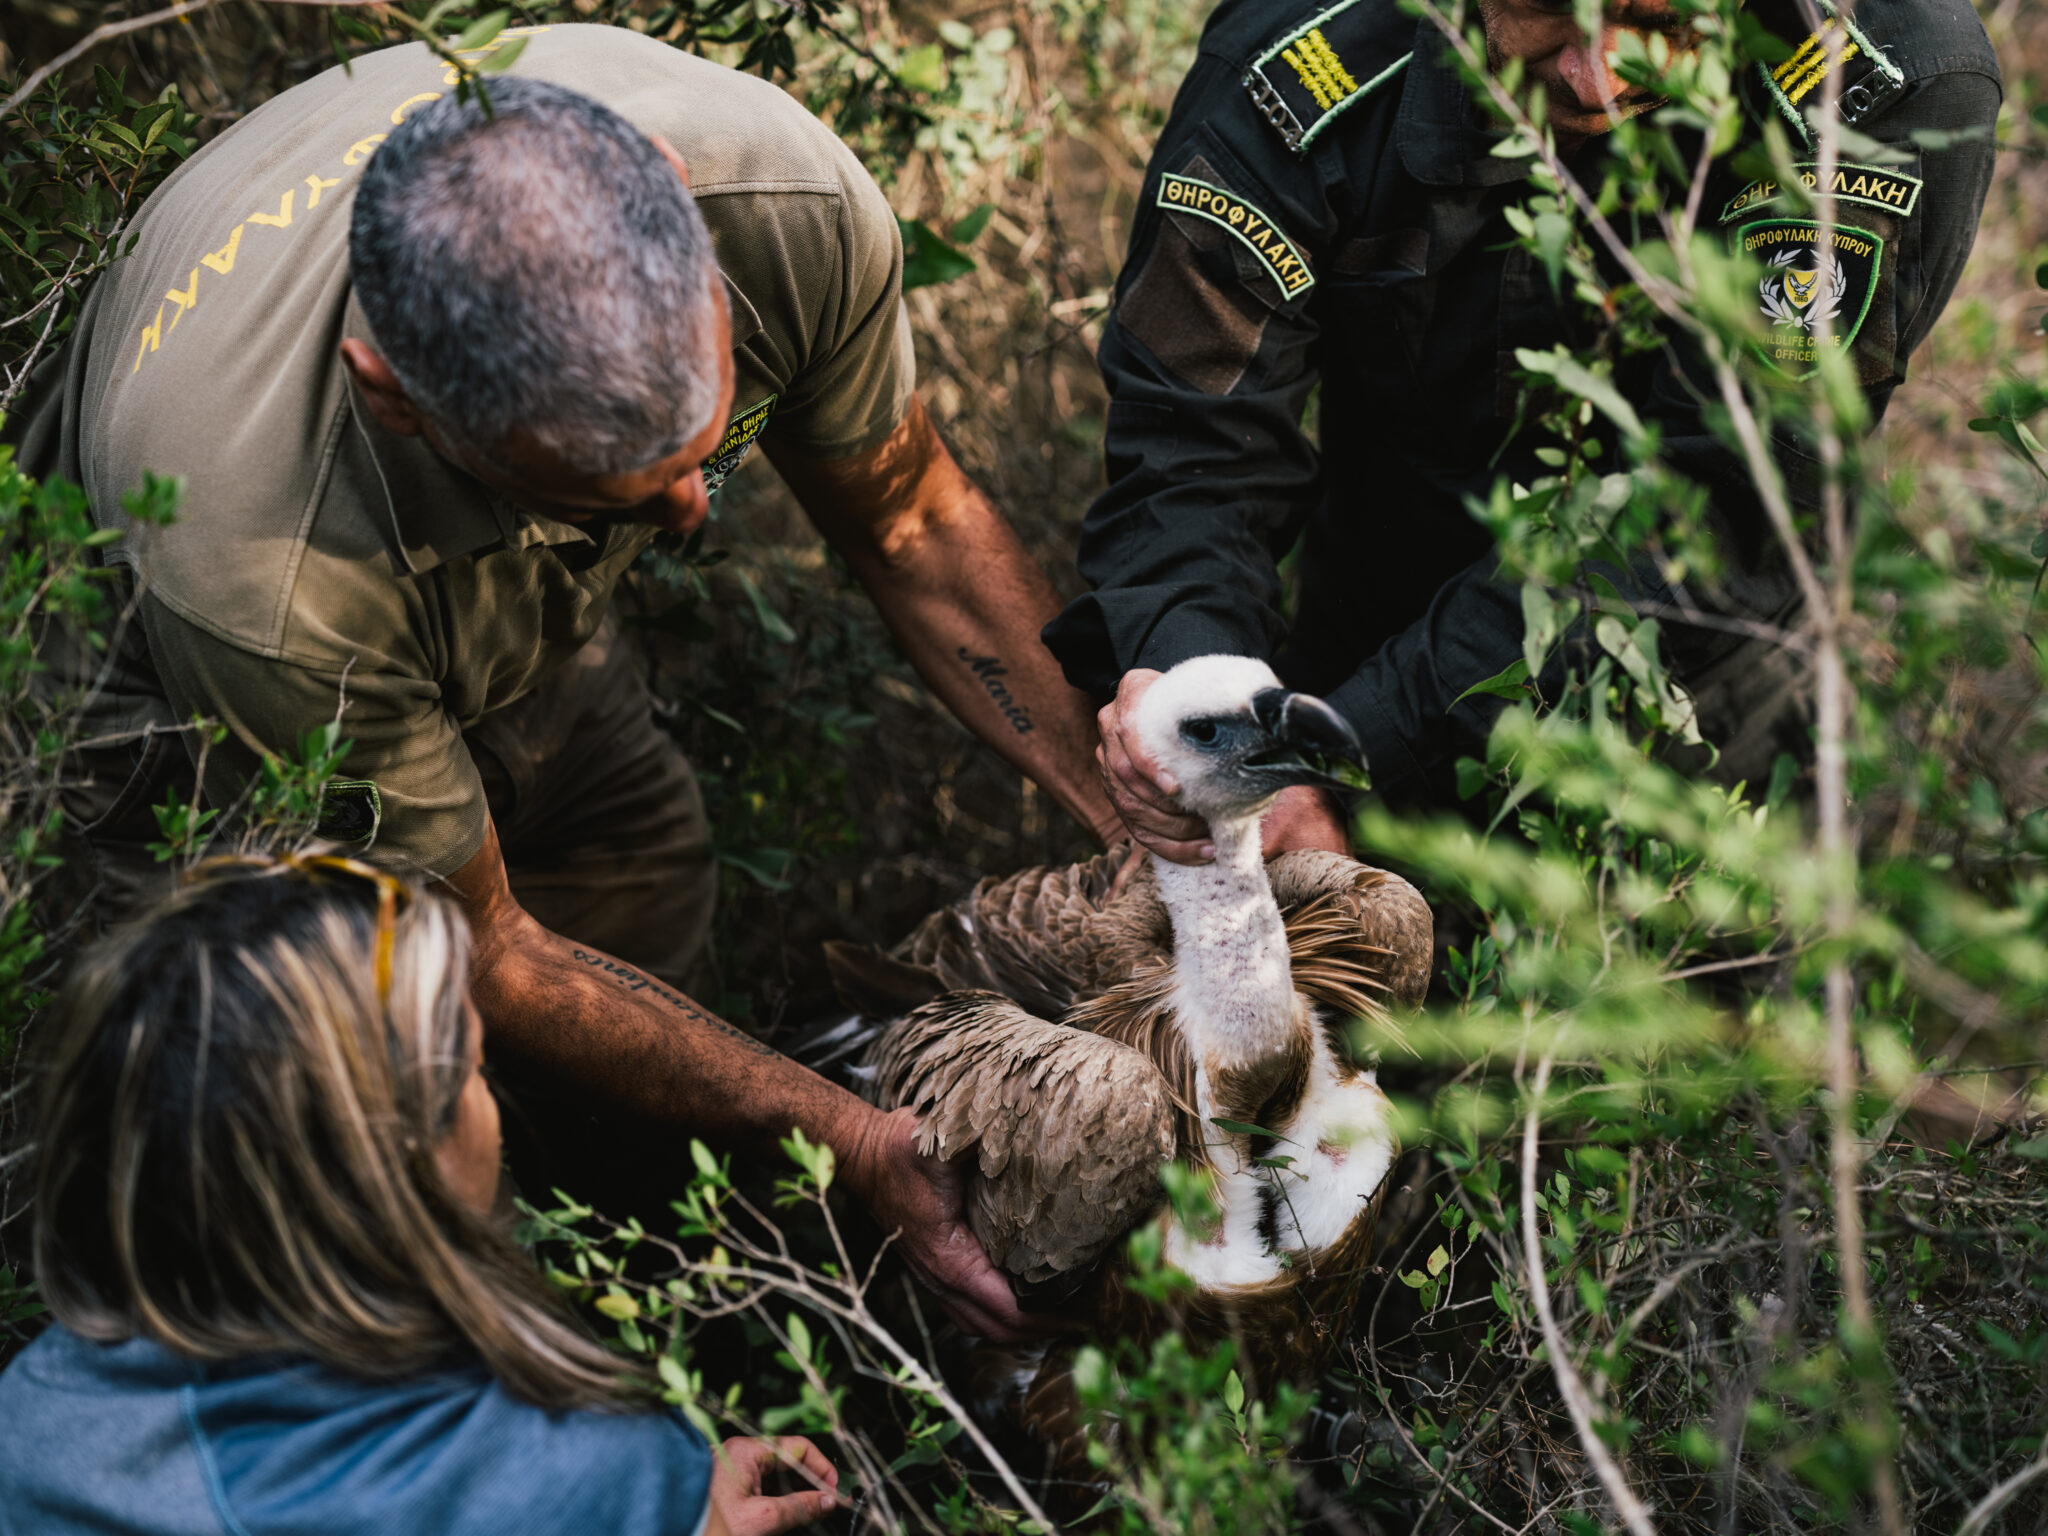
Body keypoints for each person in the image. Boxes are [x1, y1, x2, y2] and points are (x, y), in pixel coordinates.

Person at [12, 27, 1124, 1338]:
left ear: (662, 182)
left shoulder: (778, 196)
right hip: (205, 709)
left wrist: (1158, 841)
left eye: (703, 441)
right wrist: (852, 1135)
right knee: (366, 1141)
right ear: (399, 400)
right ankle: (526, 1375)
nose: (695, 511)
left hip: (494, 578)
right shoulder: (258, 566)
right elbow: (477, 947)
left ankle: (652, 1233)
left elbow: (913, 528)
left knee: (636, 860)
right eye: (625, 485)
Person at [1051, 0, 2001, 861]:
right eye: (1550, 8)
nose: (1597, 80)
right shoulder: (1293, 63)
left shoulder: (1880, 73)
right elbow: (1193, 453)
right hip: (1358, 647)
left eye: (1660, 21)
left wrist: (1366, 761)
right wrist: (1213, 718)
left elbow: (1723, 506)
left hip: (1705, 730)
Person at [0, 855, 840, 1536]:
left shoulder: (31, 1423)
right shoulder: (577, 1469)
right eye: (473, 1070)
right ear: (400, 1160)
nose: (493, 1105)